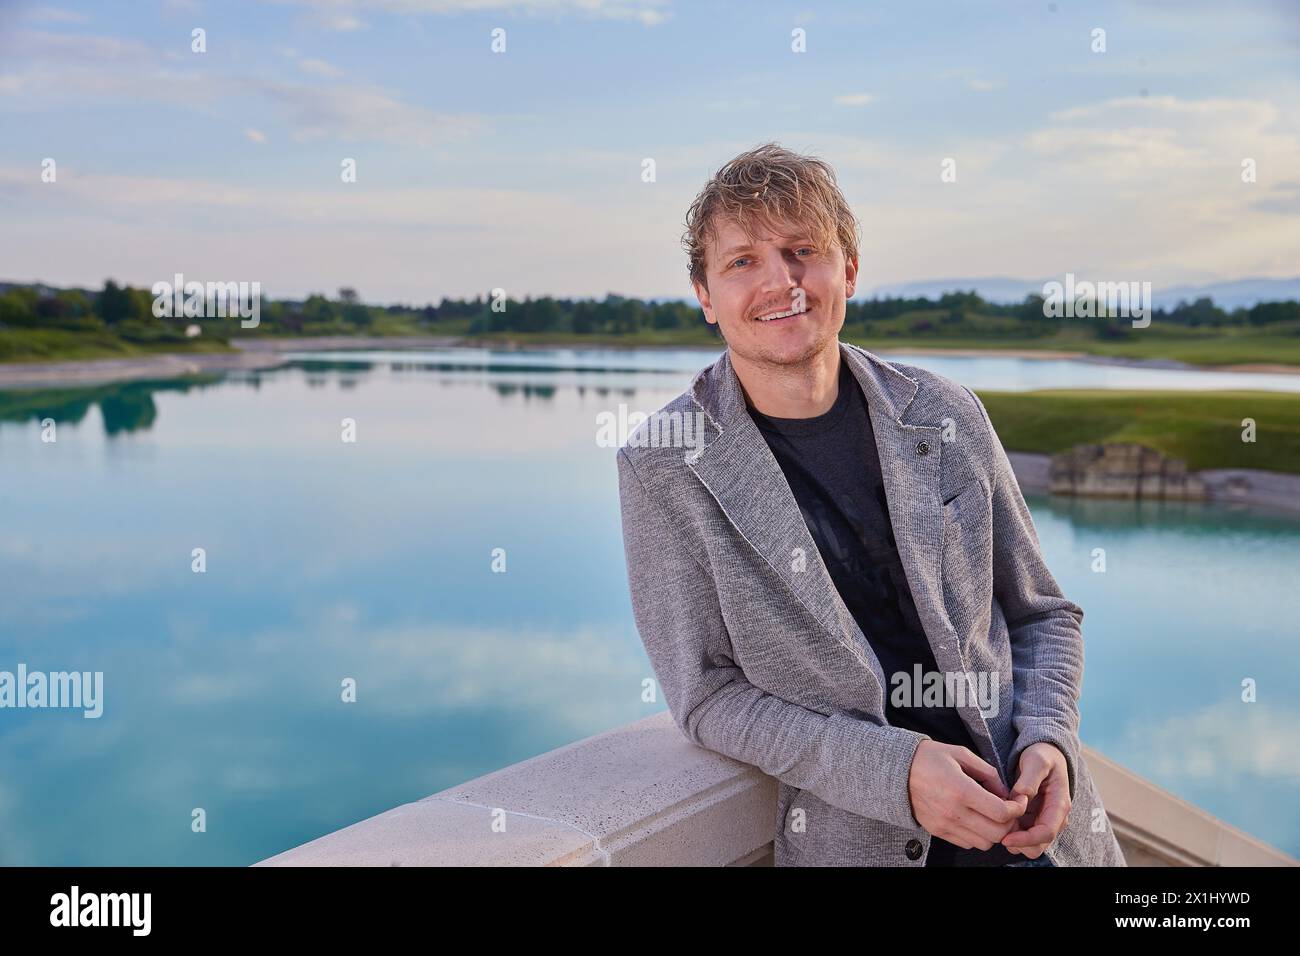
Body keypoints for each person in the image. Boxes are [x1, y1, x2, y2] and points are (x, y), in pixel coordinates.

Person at [616, 142, 1126, 867]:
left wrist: (1050, 737)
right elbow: (705, 695)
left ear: (847, 270)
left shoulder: (947, 413)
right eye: (742, 262)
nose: (781, 283)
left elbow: (1043, 612)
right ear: (704, 295)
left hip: (1044, 837)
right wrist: (896, 772)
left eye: (803, 251)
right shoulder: (662, 464)